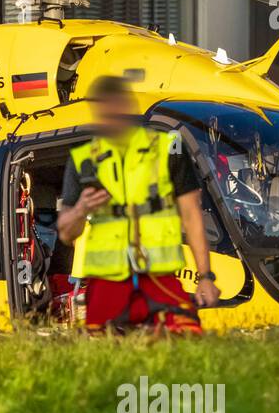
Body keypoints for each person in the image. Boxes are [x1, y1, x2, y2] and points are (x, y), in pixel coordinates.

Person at [56, 75, 219, 334]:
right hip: (106, 284)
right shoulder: (82, 160)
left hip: (159, 277)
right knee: (107, 358)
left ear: (128, 106)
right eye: (105, 111)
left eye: (116, 109)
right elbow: (66, 232)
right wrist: (80, 210)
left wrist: (205, 276)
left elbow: (191, 214)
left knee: (186, 337)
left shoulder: (168, 150)